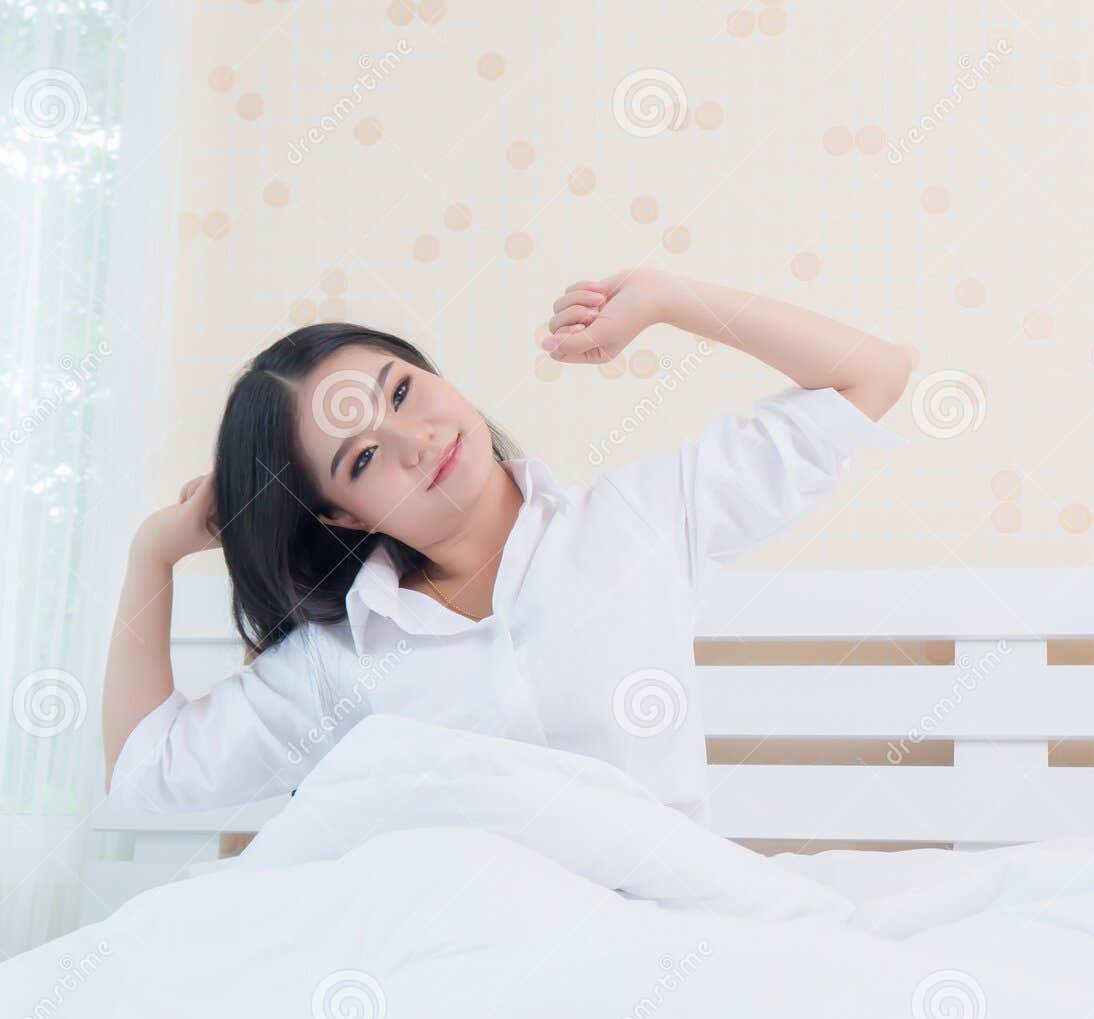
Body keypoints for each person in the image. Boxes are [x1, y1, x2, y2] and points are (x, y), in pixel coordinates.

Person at [101, 268, 913, 824]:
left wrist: (669, 296)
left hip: (657, 949)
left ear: (435, 375)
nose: (416, 440)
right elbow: (146, 777)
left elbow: (873, 375)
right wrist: (150, 556)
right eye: (364, 458)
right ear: (342, 516)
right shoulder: (338, 664)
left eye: (404, 391)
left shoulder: (640, 520)